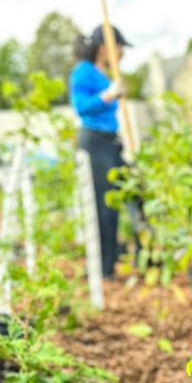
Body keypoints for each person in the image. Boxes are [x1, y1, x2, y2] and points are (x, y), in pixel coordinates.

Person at [70, 25, 132, 279]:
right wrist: (109, 94)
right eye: (119, 47)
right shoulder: (83, 71)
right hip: (94, 141)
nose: (122, 53)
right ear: (104, 47)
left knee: (127, 197)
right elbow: (81, 106)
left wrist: (115, 91)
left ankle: (118, 262)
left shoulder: (105, 73)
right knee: (103, 207)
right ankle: (102, 270)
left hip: (111, 142)